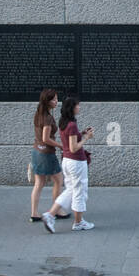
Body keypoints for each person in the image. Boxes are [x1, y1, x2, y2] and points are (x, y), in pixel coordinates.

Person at [29, 88, 66, 229]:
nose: (56, 101)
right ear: (47, 101)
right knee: (58, 180)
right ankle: (57, 210)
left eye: (57, 98)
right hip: (46, 154)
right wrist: (60, 146)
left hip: (36, 151)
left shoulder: (38, 114)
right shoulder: (48, 118)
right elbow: (45, 138)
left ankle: (34, 213)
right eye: (53, 99)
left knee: (39, 183)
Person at [56, 97, 94, 231]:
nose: (79, 107)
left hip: (67, 160)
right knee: (79, 191)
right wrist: (85, 138)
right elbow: (73, 147)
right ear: (72, 108)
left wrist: (81, 133)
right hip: (76, 161)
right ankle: (78, 222)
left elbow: (69, 138)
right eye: (77, 105)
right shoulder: (72, 125)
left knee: (71, 190)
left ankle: (50, 213)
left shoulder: (64, 122)